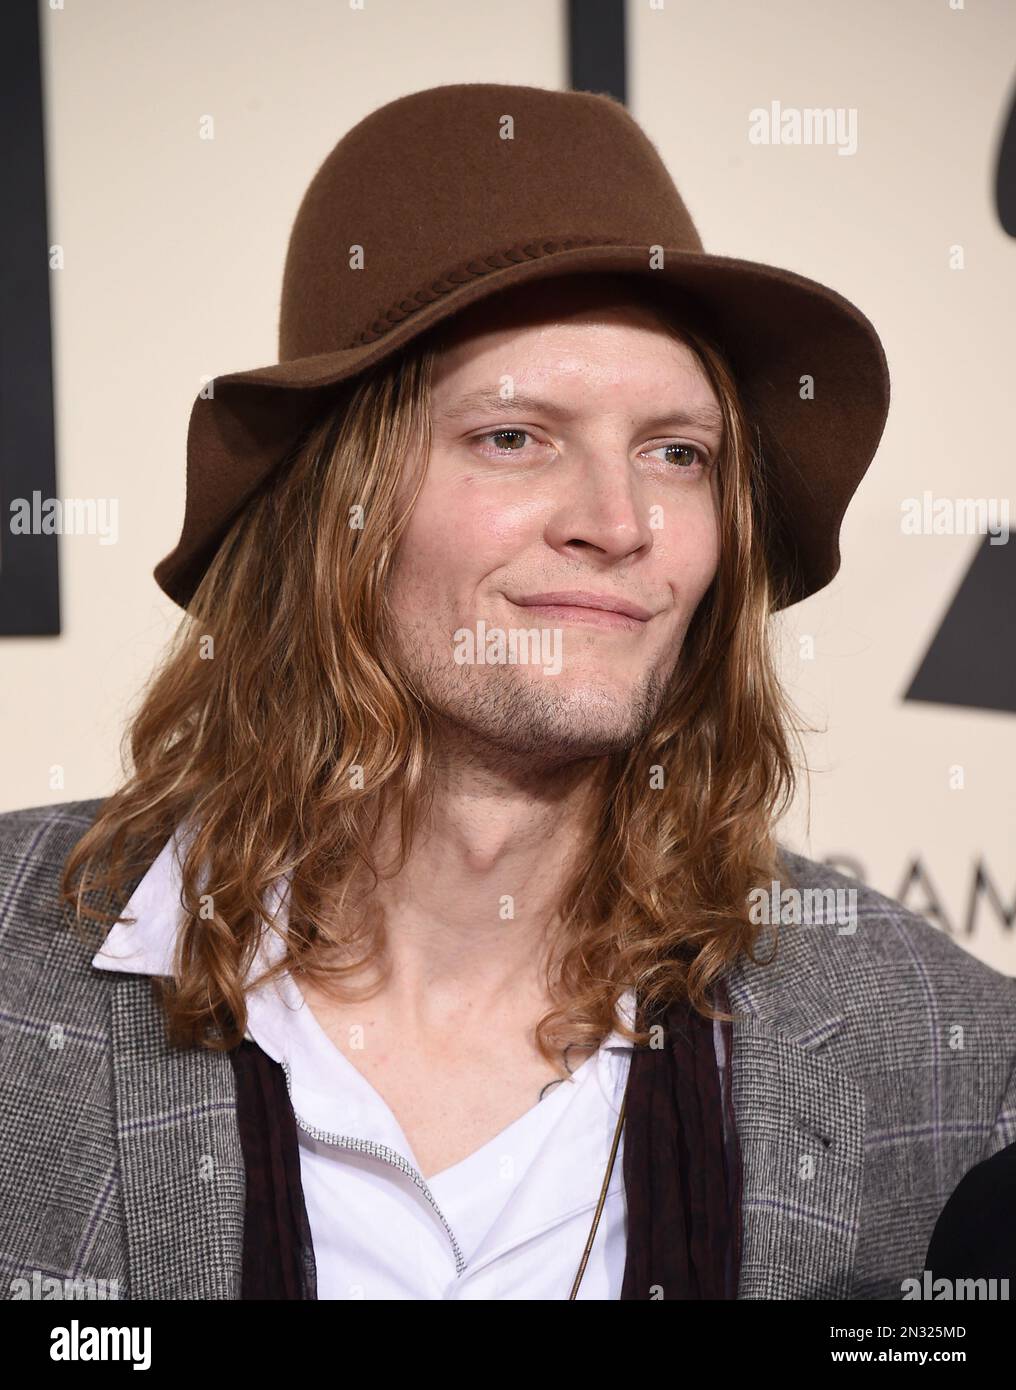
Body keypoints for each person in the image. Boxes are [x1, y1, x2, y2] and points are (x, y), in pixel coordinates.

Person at [2, 82, 1014, 1303]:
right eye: (515, 436)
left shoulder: (941, 1057)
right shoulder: (21, 975)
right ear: (339, 507)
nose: (618, 522)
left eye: (675, 453)